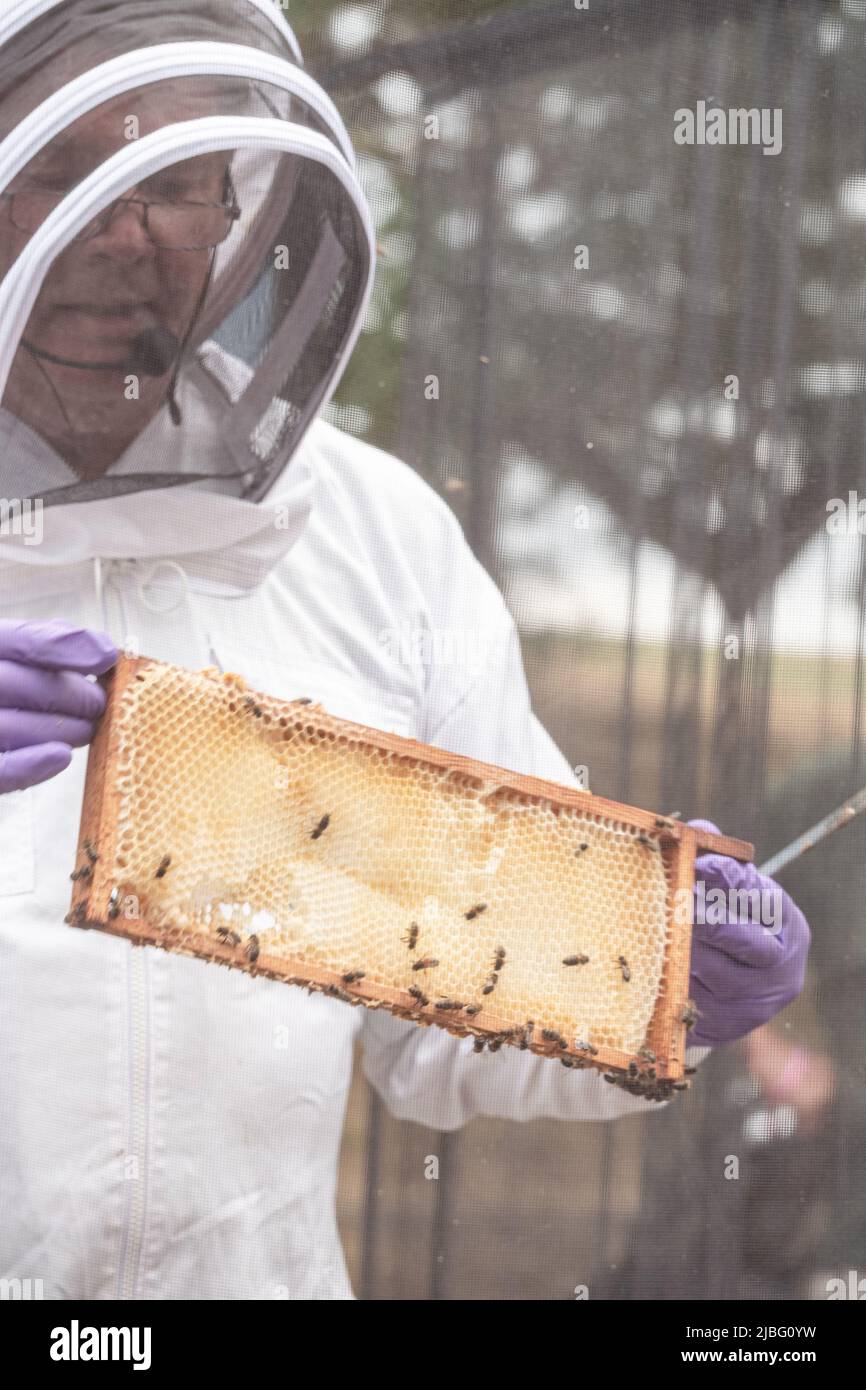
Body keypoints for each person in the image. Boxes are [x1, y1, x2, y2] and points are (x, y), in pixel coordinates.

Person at [0, 0, 810, 1300]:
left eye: (179, 182)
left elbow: (453, 1017)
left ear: (246, 205)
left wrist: (645, 972)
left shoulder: (371, 536)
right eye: (62, 166)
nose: (125, 231)